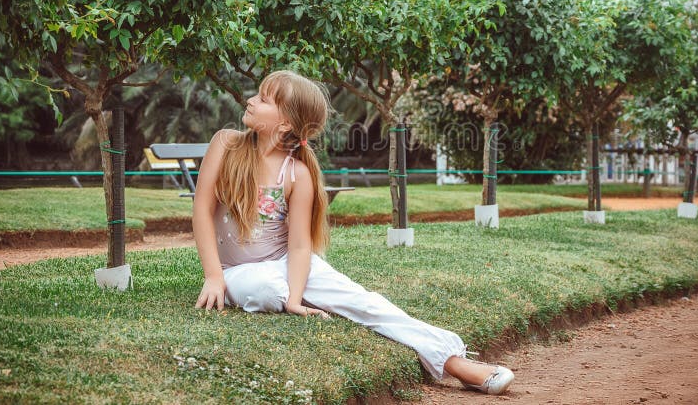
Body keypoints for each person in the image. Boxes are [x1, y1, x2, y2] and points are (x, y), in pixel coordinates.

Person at [192, 70, 514, 395]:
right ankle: (282, 292)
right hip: (237, 271)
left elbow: (300, 246)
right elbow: (202, 210)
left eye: (262, 99)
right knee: (266, 290)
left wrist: (295, 299)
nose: (250, 100)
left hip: (287, 263)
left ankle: (457, 363)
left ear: (285, 123)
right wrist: (214, 277)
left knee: (364, 302)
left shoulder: (297, 173)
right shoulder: (226, 144)